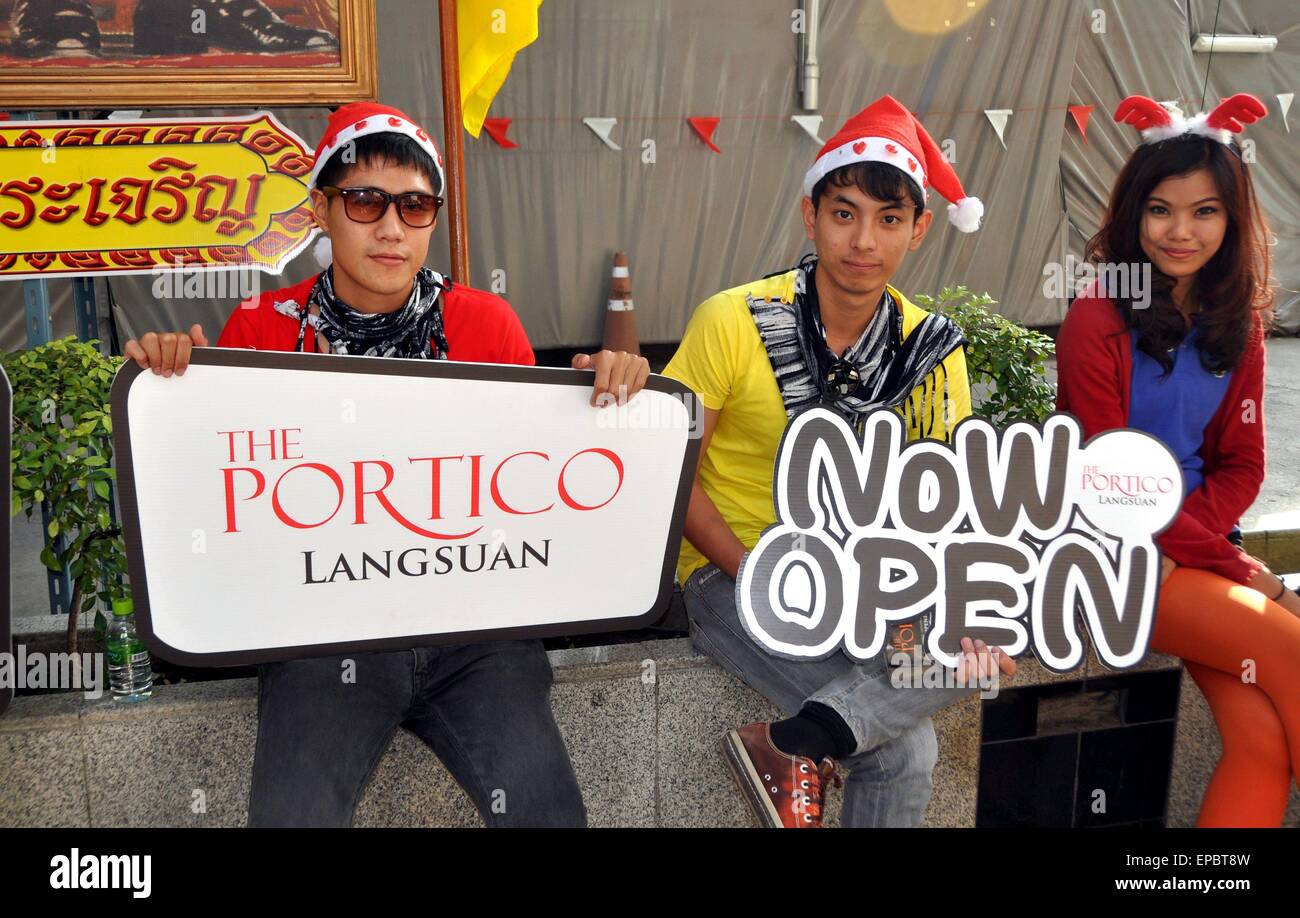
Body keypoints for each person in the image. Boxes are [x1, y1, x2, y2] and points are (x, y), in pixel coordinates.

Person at [124, 102, 650, 827]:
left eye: (415, 205)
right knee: (291, 818)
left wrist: (603, 402)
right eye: (366, 201)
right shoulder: (259, 328)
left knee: (548, 813)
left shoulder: (486, 322)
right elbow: (220, 498)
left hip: (477, 635)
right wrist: (173, 387)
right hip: (323, 638)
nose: (392, 228)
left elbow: (535, 480)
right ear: (320, 209)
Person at [662, 95, 1016, 828]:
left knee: (993, 642)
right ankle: (807, 738)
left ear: (919, 228)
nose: (863, 241)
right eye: (844, 214)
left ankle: (801, 739)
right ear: (811, 215)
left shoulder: (929, 347)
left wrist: (958, 606)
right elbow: (673, 469)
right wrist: (757, 572)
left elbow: (946, 497)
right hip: (733, 573)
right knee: (903, 753)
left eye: (889, 219)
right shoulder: (734, 319)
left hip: (868, 581)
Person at [1056, 93, 1300, 827]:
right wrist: (1245, 574)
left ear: (1233, 219)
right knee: (1293, 651)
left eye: (1205, 212)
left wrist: (1200, 550)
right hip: (1109, 553)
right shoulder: (1097, 315)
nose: (1181, 231)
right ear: (1133, 215)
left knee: (1261, 743)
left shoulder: (1240, 323)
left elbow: (1242, 465)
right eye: (1160, 210)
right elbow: (1106, 482)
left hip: (1188, 553)